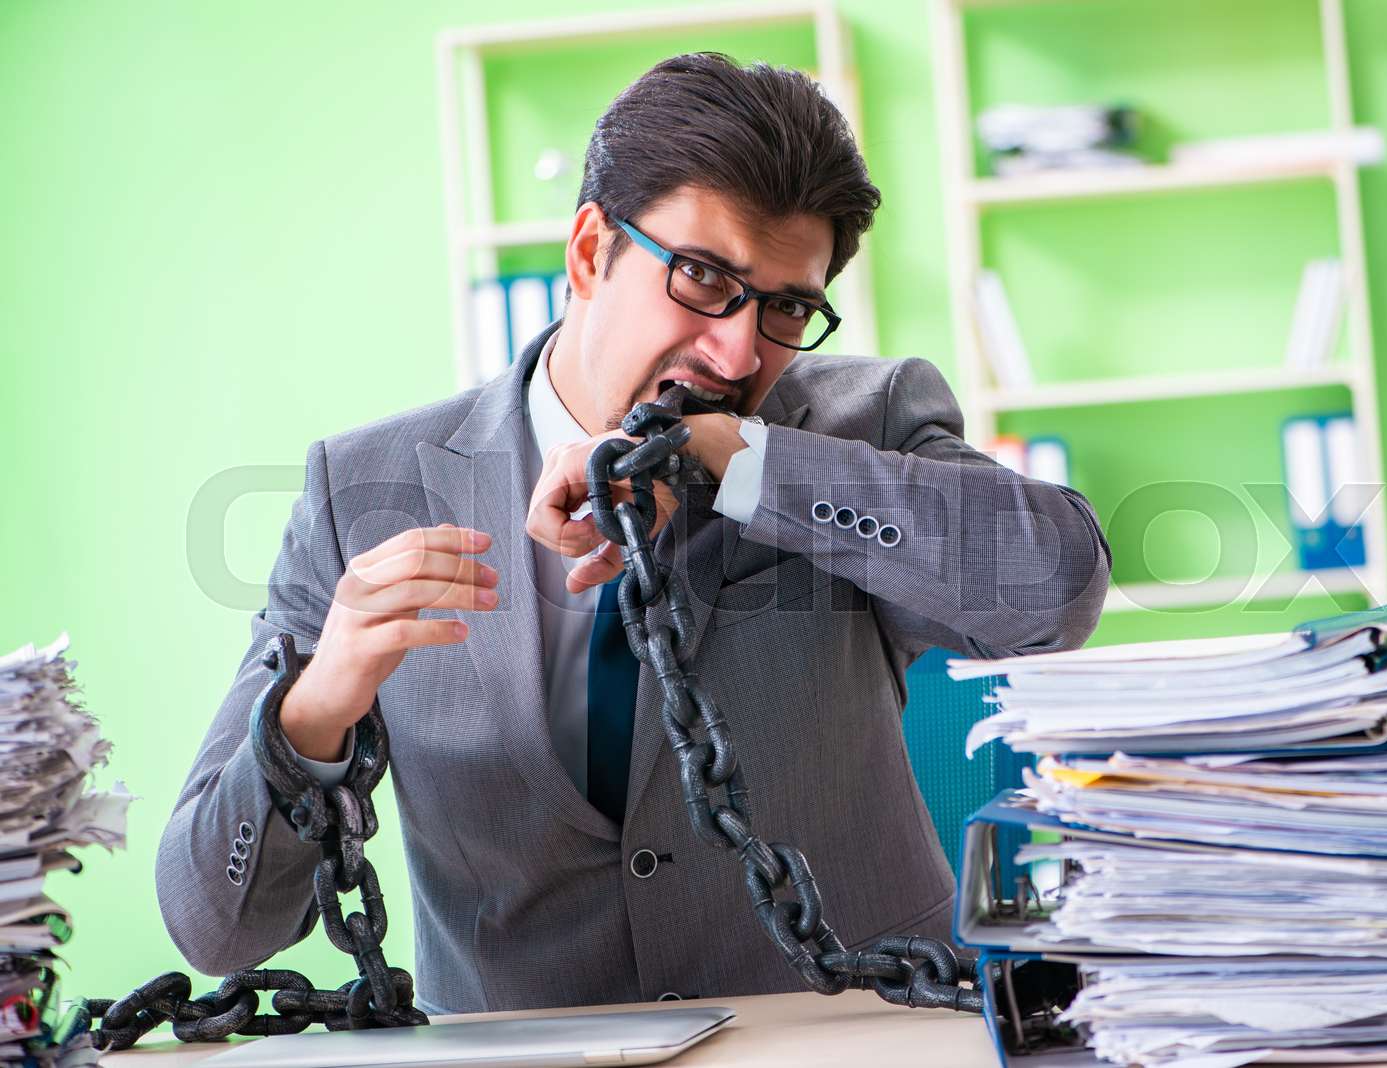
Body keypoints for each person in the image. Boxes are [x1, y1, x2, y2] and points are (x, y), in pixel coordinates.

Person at [157, 52, 1110, 1014]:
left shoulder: (861, 424)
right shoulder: (363, 491)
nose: (738, 350)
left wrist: (740, 456)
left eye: (787, 306)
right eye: (702, 277)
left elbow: (1056, 592)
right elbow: (216, 926)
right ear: (587, 252)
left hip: (848, 1035)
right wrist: (314, 713)